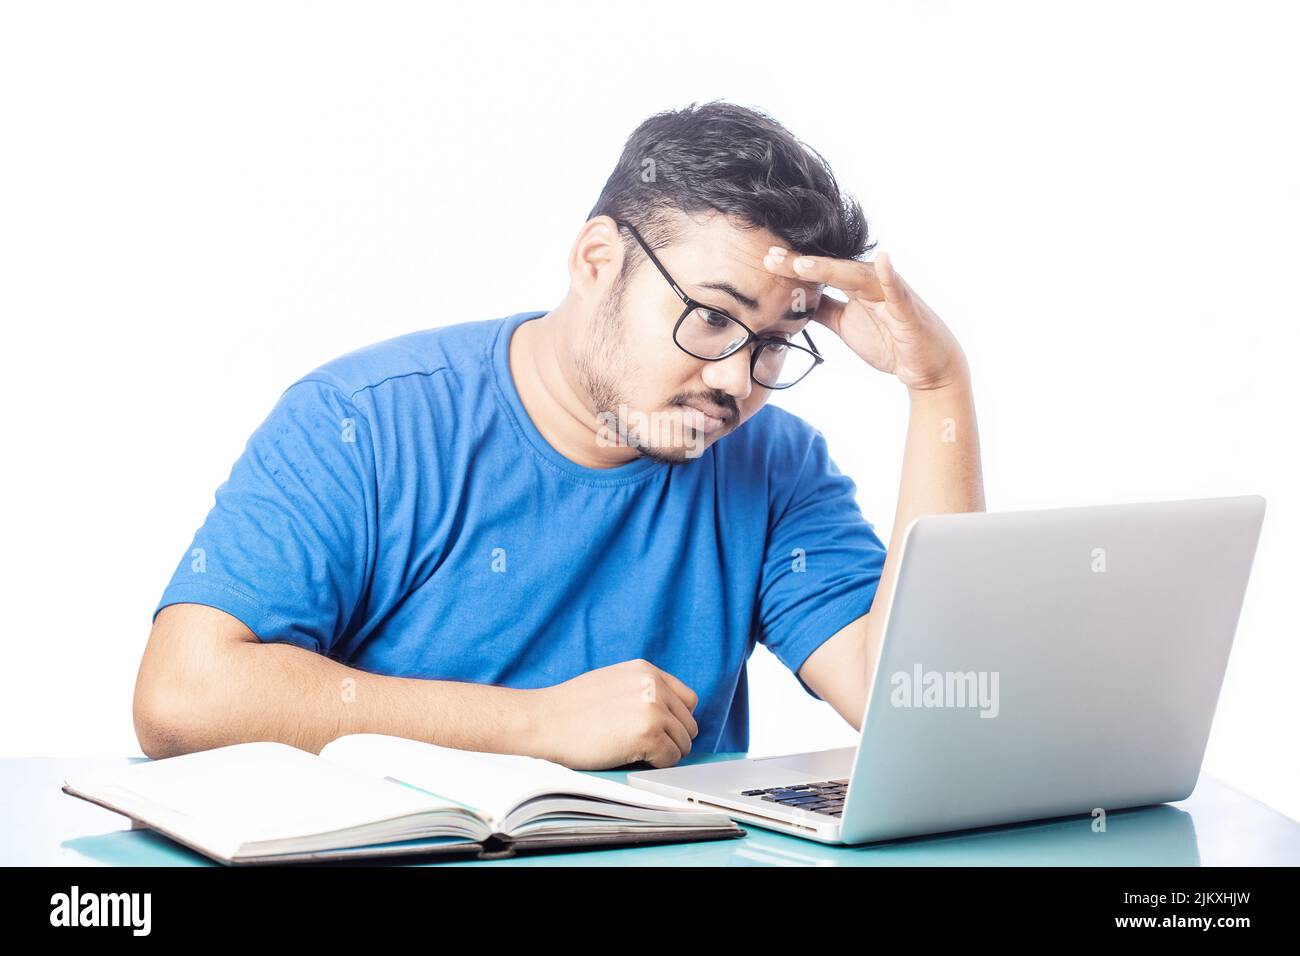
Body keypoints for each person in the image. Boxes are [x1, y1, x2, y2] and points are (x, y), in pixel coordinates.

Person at [133, 100, 984, 770]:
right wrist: (536, 724)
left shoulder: (773, 466)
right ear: (596, 261)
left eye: (772, 346)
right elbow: (184, 694)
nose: (734, 379)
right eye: (711, 319)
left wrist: (936, 385)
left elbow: (919, 706)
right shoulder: (365, 422)